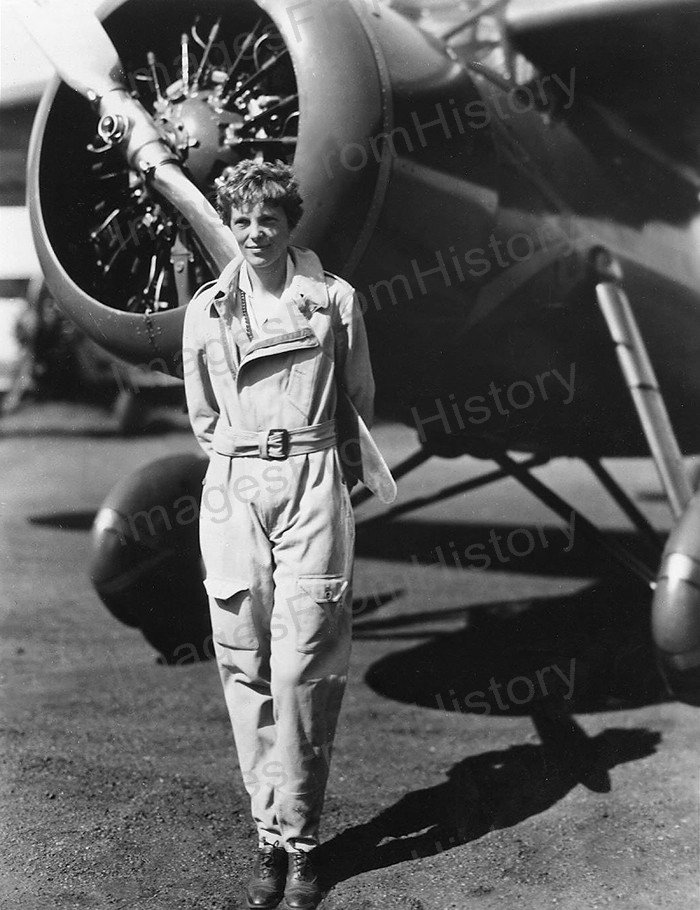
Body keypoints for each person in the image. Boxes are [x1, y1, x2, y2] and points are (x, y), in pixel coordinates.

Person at [182, 159, 376, 910]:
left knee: (306, 665)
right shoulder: (208, 310)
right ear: (229, 226)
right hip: (235, 486)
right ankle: (271, 838)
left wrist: (317, 468)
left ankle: (301, 842)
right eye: (242, 221)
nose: (255, 233)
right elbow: (205, 416)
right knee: (242, 662)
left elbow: (357, 398)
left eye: (269, 219)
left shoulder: (334, 301)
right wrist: (241, 464)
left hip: (313, 478)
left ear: (291, 223)